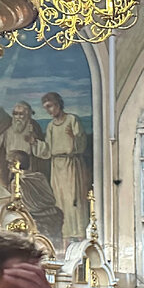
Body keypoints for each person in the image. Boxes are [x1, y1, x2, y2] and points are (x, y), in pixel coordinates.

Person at [40, 91, 90, 242]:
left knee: (74, 201)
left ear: (58, 104)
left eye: (50, 106)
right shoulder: (50, 126)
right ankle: (65, 240)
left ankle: (81, 237)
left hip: (71, 165)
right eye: (46, 108)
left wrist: (75, 138)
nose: (49, 110)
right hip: (57, 166)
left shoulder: (71, 120)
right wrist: (34, 143)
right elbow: (48, 150)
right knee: (59, 201)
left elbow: (81, 144)